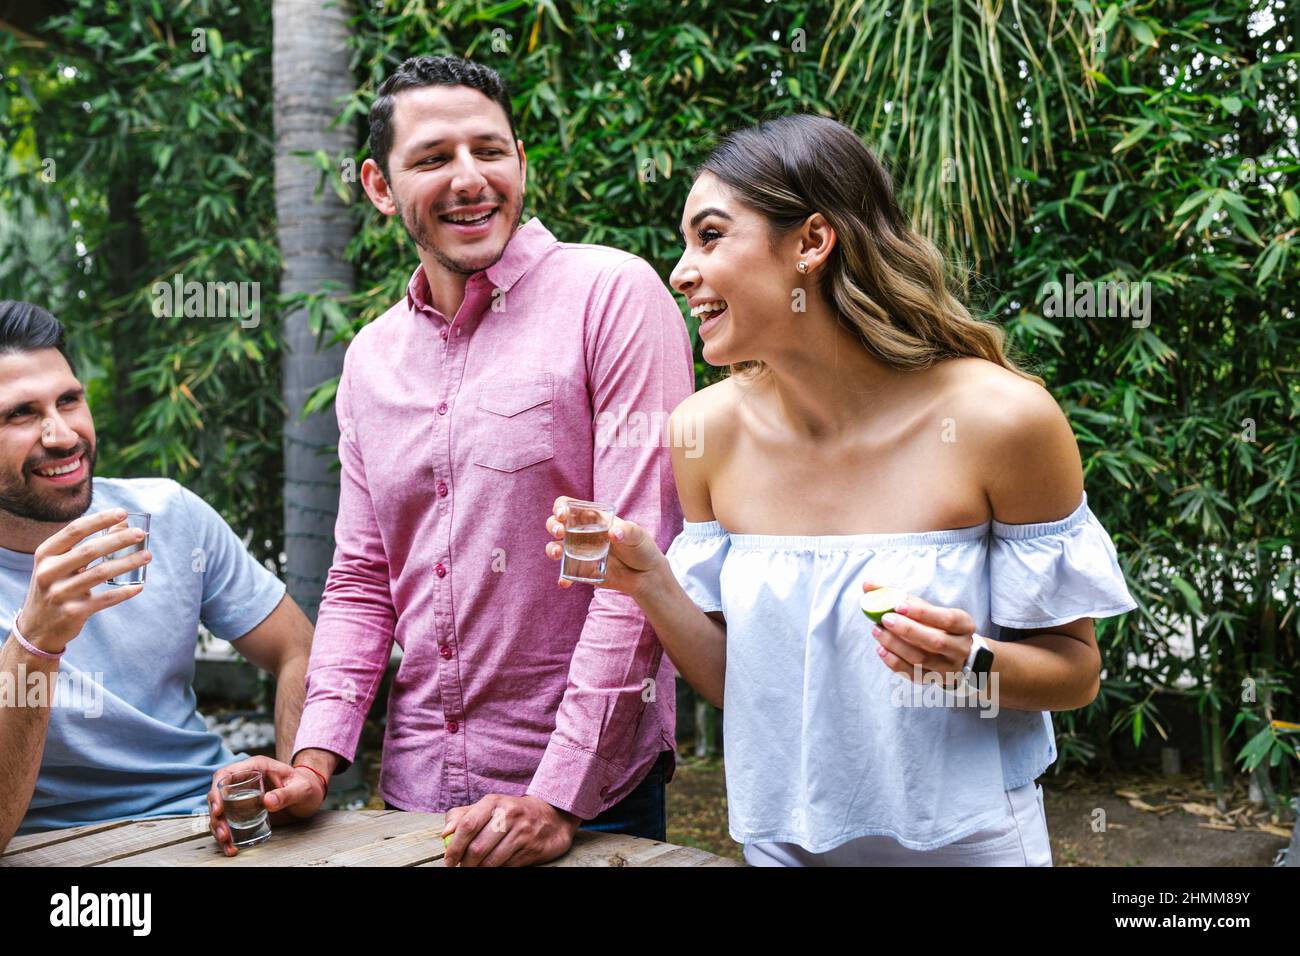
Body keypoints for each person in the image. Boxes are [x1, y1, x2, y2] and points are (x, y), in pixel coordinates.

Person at [544, 113, 1138, 866]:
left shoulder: (1003, 419)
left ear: (812, 243)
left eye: (711, 236)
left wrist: (970, 665)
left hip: (971, 842)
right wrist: (650, 582)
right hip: (784, 844)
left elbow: (1077, 673)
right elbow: (744, 688)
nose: (681, 270)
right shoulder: (705, 435)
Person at [216, 55, 694, 865]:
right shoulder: (371, 358)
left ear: (520, 161)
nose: (471, 179)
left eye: (491, 151)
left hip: (590, 805)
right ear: (378, 185)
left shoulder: (613, 296)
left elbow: (636, 567)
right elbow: (363, 580)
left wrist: (556, 797)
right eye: (434, 158)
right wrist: (314, 762)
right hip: (414, 797)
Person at [0, 301, 315, 853]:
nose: (62, 435)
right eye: (20, 414)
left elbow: (299, 649)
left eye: (69, 400)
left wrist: (293, 780)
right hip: (56, 850)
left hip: (210, 827)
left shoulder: (169, 516)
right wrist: (34, 642)